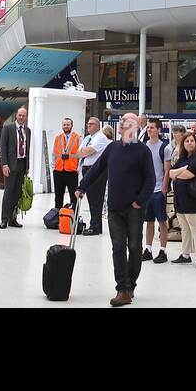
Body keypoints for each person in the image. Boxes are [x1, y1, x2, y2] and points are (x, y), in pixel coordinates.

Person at [77, 112, 156, 306]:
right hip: (114, 208)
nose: (121, 123)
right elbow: (97, 169)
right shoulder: (112, 148)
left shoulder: (142, 151)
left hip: (134, 209)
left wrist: (139, 201)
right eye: (120, 121)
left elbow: (150, 180)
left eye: (125, 121)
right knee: (118, 247)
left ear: (135, 126)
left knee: (135, 247)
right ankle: (122, 288)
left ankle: (130, 285)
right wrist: (82, 186)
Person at [167, 131, 196, 270]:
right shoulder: (183, 158)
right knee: (185, 228)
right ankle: (185, 254)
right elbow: (170, 173)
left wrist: (179, 172)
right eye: (187, 141)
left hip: (193, 199)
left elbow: (188, 174)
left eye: (192, 141)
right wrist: (182, 169)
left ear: (195, 143)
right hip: (180, 198)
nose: (189, 143)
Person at [141, 118, 172, 264]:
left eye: (152, 128)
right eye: (148, 128)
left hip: (159, 189)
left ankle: (163, 250)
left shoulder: (165, 148)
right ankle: (147, 249)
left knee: (162, 221)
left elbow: (167, 170)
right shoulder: (144, 146)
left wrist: (164, 190)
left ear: (159, 130)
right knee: (148, 221)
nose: (149, 130)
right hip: (146, 191)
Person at [0, 107, 30, 229]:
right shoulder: (7, 128)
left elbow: (27, 148)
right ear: (16, 115)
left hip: (22, 165)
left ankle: (12, 218)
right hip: (10, 165)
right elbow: (3, 148)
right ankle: (4, 219)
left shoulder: (28, 131)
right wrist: (4, 165)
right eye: (20, 115)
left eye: (24, 116)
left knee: (17, 193)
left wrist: (27, 166)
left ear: (26, 117)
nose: (21, 117)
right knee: (8, 193)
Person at [76, 116, 108, 235]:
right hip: (87, 169)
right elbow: (79, 153)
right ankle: (95, 225)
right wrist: (84, 151)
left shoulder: (100, 137)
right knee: (90, 199)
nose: (88, 126)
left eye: (91, 124)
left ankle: (95, 226)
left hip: (97, 171)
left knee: (96, 199)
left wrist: (85, 151)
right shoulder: (88, 138)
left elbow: (88, 151)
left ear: (98, 126)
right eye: (88, 124)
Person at [52, 117, 81, 211]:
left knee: (73, 197)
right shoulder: (57, 138)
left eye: (68, 124)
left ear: (72, 125)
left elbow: (80, 154)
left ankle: (73, 219)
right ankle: (57, 219)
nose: (66, 126)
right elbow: (54, 154)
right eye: (64, 125)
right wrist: (54, 167)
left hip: (72, 172)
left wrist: (78, 168)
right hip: (58, 171)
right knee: (58, 197)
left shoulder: (78, 138)